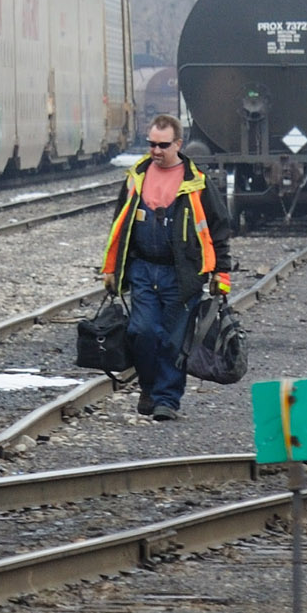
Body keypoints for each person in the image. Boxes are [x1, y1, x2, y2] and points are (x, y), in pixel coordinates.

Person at [100, 114, 228, 421]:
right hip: (143, 269)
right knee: (142, 332)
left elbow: (219, 228)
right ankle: (149, 387)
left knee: (174, 339)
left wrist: (220, 273)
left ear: (178, 144)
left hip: (182, 274)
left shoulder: (196, 182)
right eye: (151, 144)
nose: (155, 151)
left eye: (162, 145)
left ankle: (166, 400)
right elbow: (119, 225)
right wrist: (112, 269)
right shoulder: (136, 177)